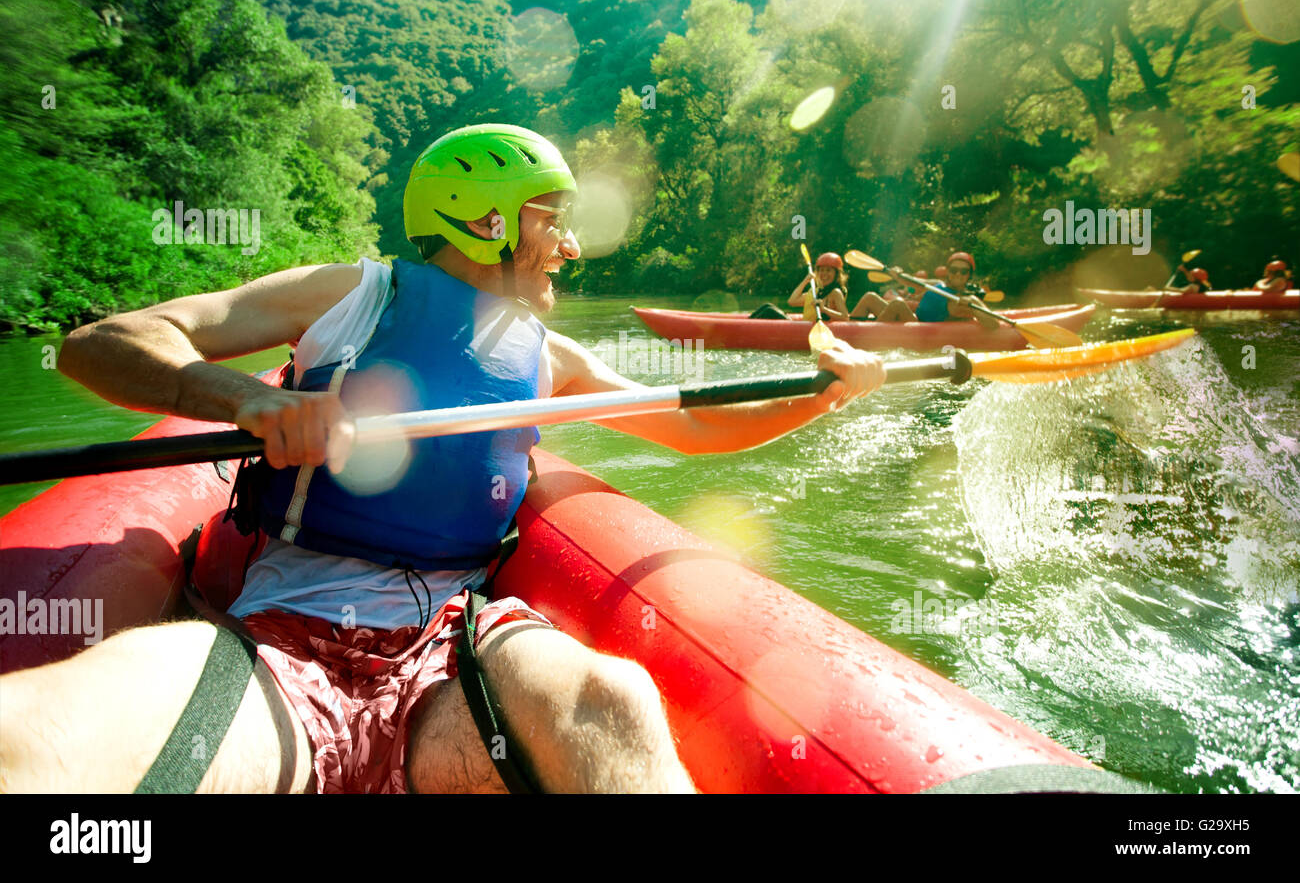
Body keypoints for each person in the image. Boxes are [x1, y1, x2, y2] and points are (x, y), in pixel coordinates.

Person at [0, 124, 884, 794]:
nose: (569, 247)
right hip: (279, 641)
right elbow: (106, 343)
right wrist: (247, 398)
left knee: (613, 702)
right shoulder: (349, 295)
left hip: (449, 653)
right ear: (489, 221)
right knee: (40, 742)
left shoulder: (547, 356)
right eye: (553, 221)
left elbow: (696, 425)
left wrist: (823, 390)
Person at [913, 252, 998, 329]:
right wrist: (899, 273)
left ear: (969, 274)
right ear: (948, 271)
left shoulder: (969, 299)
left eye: (964, 271)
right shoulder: (937, 283)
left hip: (934, 335)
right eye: (954, 270)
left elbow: (994, 325)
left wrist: (973, 309)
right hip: (916, 323)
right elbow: (911, 281)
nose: (958, 274)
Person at [788, 252, 849, 321]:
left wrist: (824, 309)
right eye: (821, 270)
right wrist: (805, 281)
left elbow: (845, 317)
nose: (824, 274)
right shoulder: (816, 292)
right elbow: (792, 301)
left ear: (836, 274)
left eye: (828, 270)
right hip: (807, 328)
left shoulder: (835, 292)